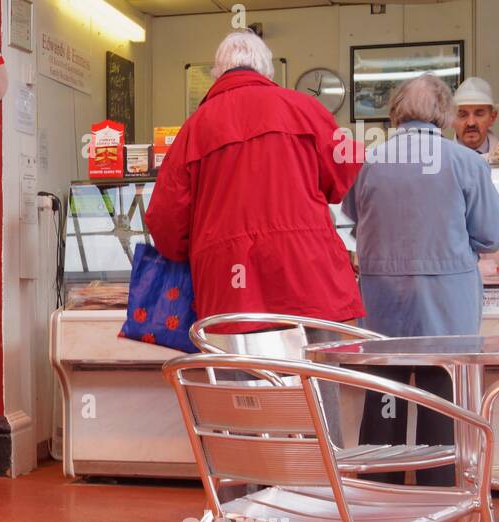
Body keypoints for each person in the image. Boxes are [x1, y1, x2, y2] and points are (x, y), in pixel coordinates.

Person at [341, 73, 499, 484]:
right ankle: (437, 496)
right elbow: (490, 234)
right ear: (445, 115)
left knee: (385, 394)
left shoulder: (367, 162)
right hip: (446, 308)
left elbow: (352, 216)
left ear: (396, 113)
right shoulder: (465, 162)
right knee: (441, 401)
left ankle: (382, 495)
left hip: (382, 306)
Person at [145, 30, 364, 326]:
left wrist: (199, 251)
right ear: (268, 70)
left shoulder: (193, 129)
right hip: (310, 282)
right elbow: (344, 173)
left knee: (241, 371)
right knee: (316, 371)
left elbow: (165, 223)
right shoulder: (305, 108)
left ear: (216, 74)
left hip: (230, 292)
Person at [451, 76, 499, 155]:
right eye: (463, 115)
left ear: (492, 118)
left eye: (479, 114)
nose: (471, 123)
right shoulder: (440, 161)